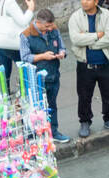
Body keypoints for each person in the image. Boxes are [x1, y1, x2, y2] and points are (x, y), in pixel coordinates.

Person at [67, 0, 109, 138]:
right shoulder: (75, 18)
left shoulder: (108, 16)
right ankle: (85, 121)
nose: (84, 2)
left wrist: (89, 43)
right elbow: (75, 39)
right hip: (85, 65)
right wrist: (97, 35)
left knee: (108, 94)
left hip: (104, 64)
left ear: (96, 1)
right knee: (84, 96)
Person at [20, 9, 70, 143]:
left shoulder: (54, 30)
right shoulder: (26, 35)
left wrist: (62, 53)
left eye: (51, 25)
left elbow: (62, 47)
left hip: (54, 75)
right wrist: (43, 56)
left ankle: (53, 132)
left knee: (52, 106)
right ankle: (37, 136)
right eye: (47, 26)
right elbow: (24, 58)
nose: (50, 28)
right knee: (36, 110)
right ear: (38, 23)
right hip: (36, 79)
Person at [0, 0, 35, 82]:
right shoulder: (9, 2)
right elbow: (23, 21)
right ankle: (25, 91)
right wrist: (31, 8)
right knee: (25, 67)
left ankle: (7, 93)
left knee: (5, 70)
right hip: (12, 44)